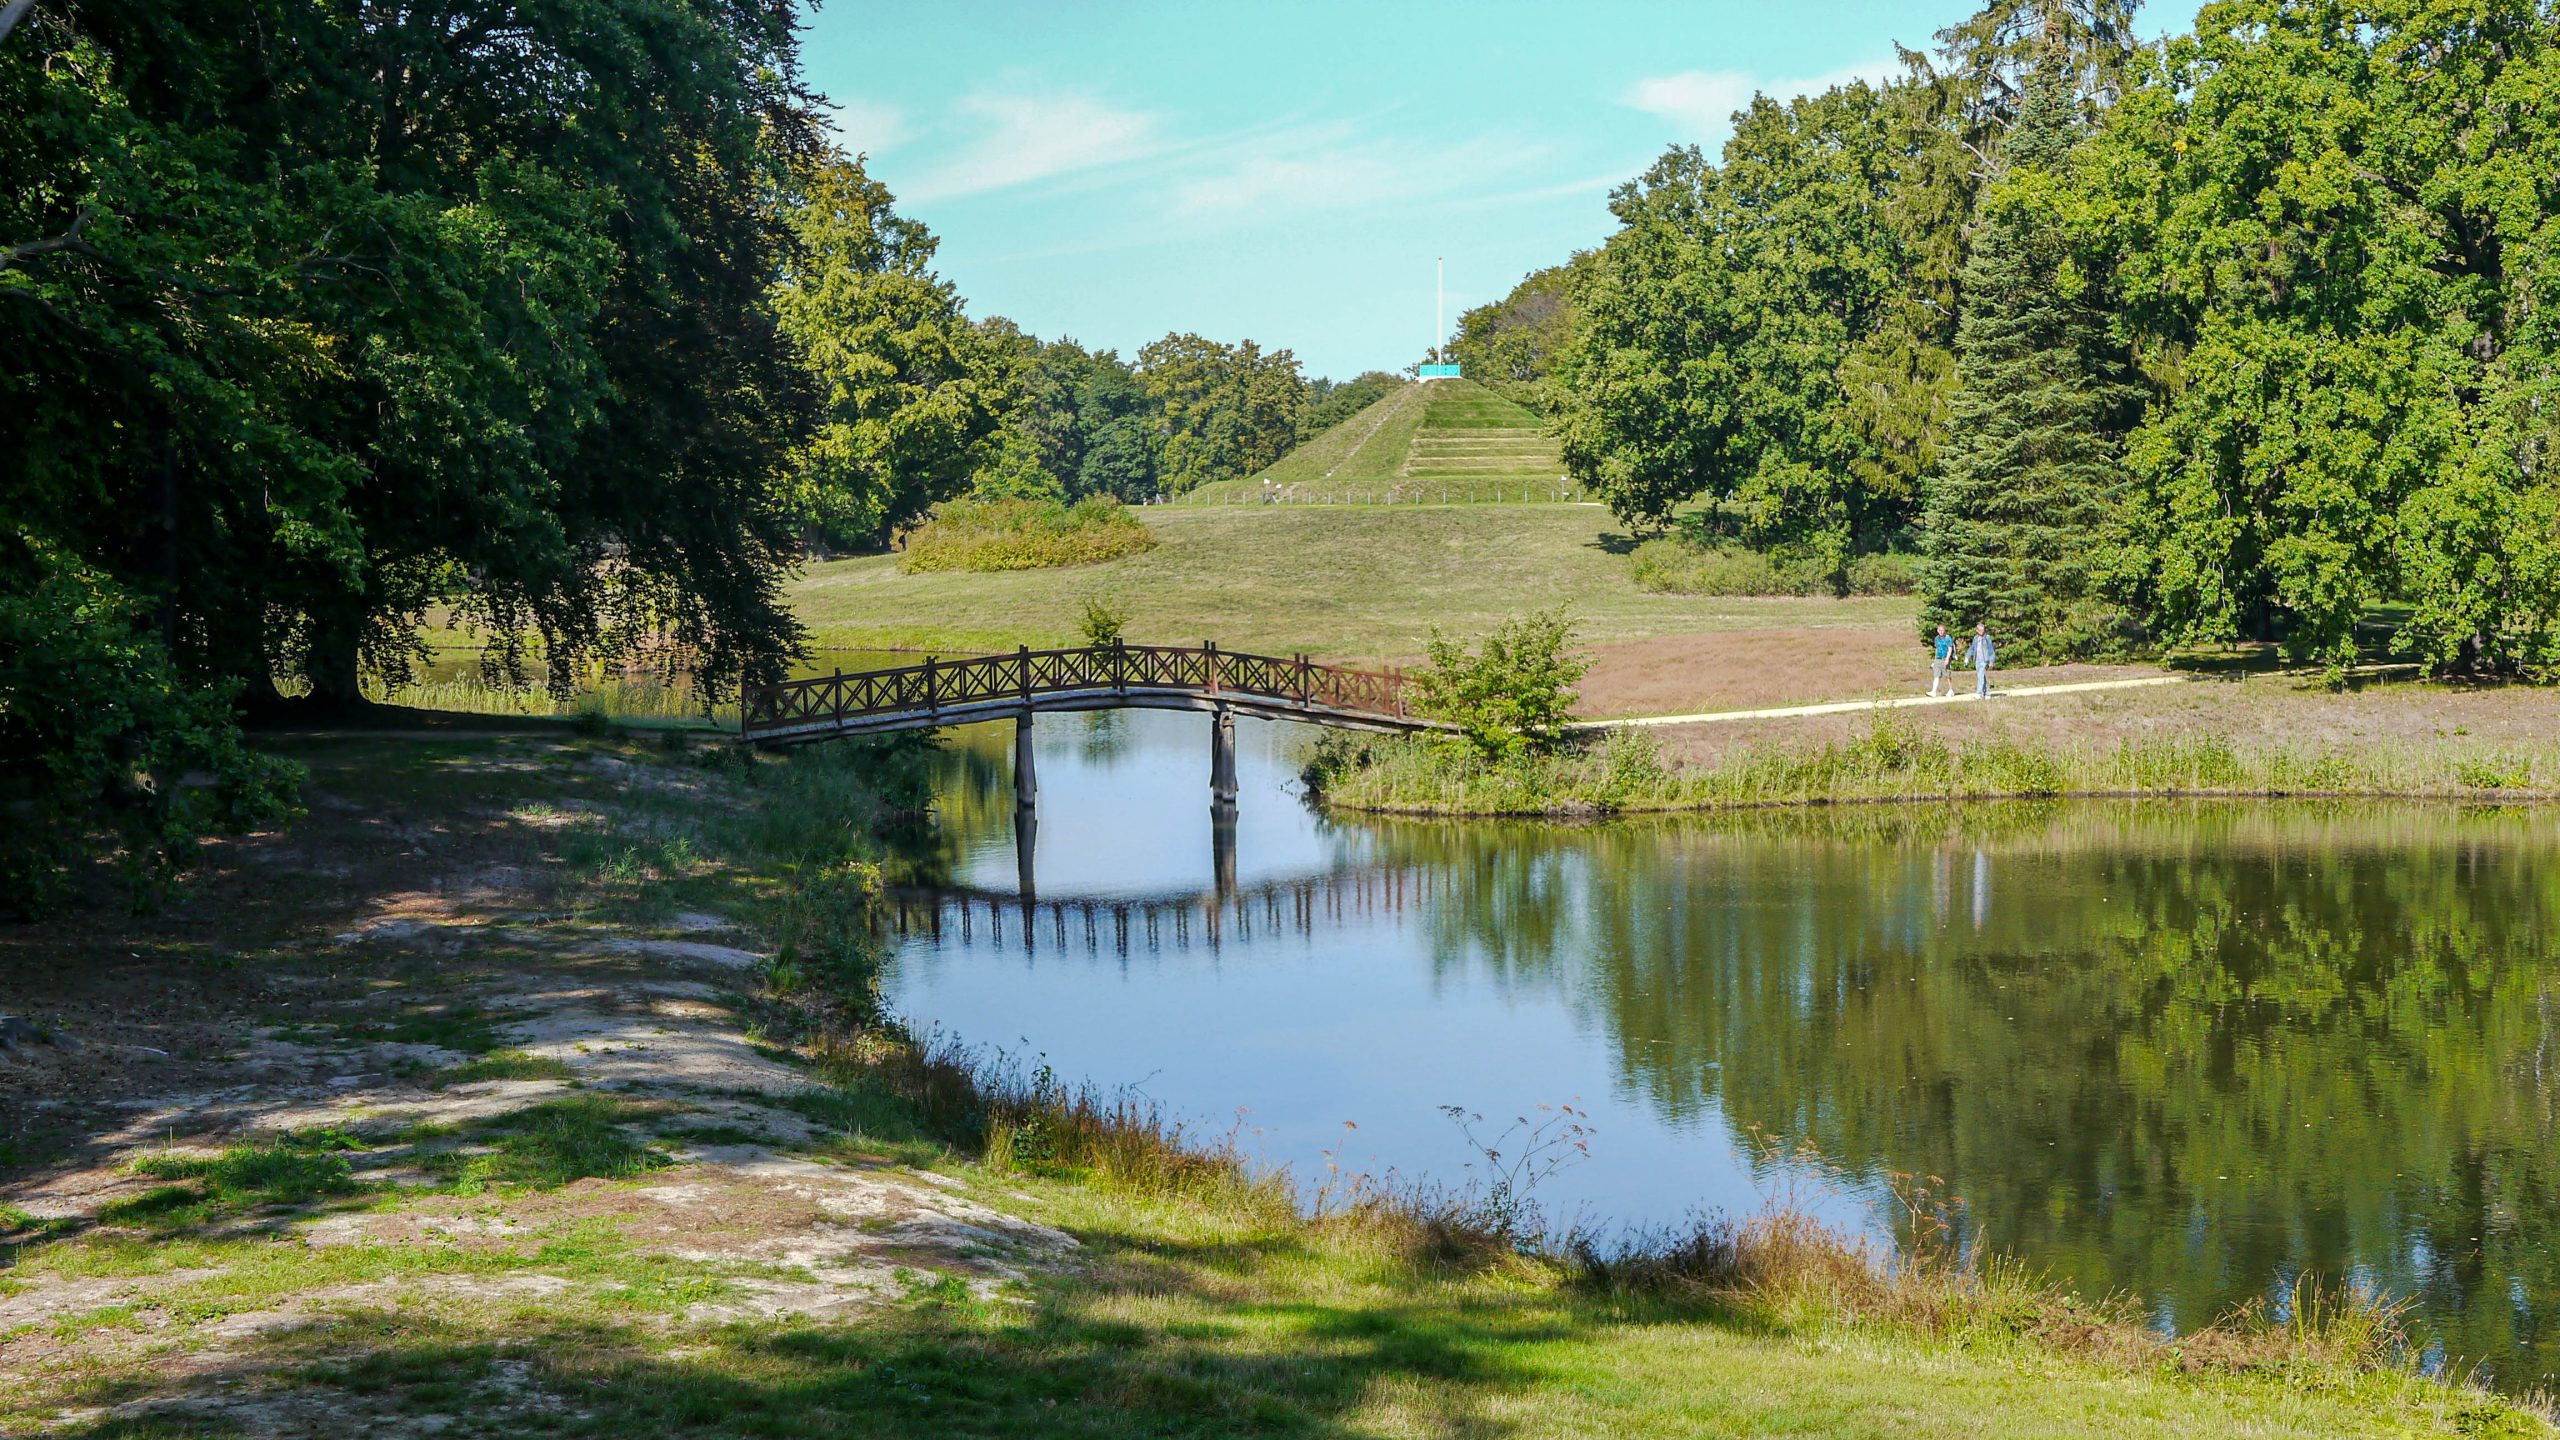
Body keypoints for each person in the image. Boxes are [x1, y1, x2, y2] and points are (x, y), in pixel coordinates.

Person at [1970, 622, 1996, 698]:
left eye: (1983, 630)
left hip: (1984, 660)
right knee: (1982, 676)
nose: (1982, 631)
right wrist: (1967, 656)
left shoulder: (1987, 638)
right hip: (1977, 660)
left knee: (1980, 676)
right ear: (1977, 630)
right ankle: (1987, 693)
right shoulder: (1975, 638)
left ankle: (1979, 693)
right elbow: (1972, 648)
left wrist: (1991, 661)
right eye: (1980, 630)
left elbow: (1991, 650)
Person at [1929, 624, 1954, 697]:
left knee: (1947, 675)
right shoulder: (1936, 638)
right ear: (1937, 631)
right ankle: (1933, 691)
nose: (1941, 632)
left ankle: (1950, 690)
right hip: (1938, 658)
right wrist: (1934, 659)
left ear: (1944, 630)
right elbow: (1937, 649)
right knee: (1936, 675)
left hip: (1945, 658)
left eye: (1942, 630)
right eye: (1939, 630)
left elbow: (1950, 648)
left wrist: (1947, 658)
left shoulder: (1948, 638)